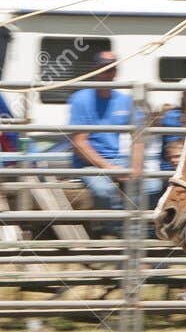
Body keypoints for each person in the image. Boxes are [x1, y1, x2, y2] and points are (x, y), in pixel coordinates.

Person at [66, 51, 160, 213]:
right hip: (89, 164)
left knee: (153, 185)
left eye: (110, 69)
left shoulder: (123, 100)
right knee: (104, 190)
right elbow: (79, 143)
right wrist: (109, 168)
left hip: (117, 161)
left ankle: (137, 227)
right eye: (102, 69)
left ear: (115, 72)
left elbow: (138, 136)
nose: (106, 74)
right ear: (95, 71)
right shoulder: (81, 99)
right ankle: (112, 232)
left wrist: (136, 166)